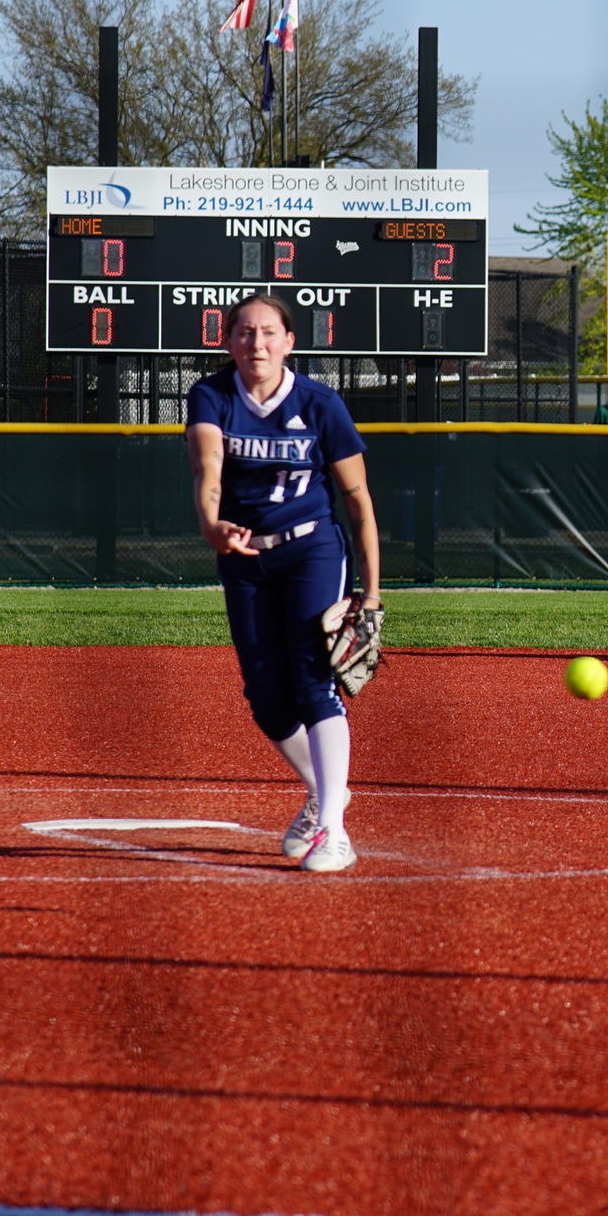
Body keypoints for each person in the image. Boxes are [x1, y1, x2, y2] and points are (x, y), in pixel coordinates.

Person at [185, 292, 382, 874]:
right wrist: (211, 524)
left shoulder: (320, 403)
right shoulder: (212, 395)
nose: (257, 343)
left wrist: (372, 593)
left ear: (290, 341)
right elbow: (208, 467)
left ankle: (334, 831)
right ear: (228, 341)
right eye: (245, 332)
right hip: (243, 556)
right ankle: (326, 791)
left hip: (311, 550)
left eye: (269, 332)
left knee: (313, 682)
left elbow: (358, 501)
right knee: (267, 699)